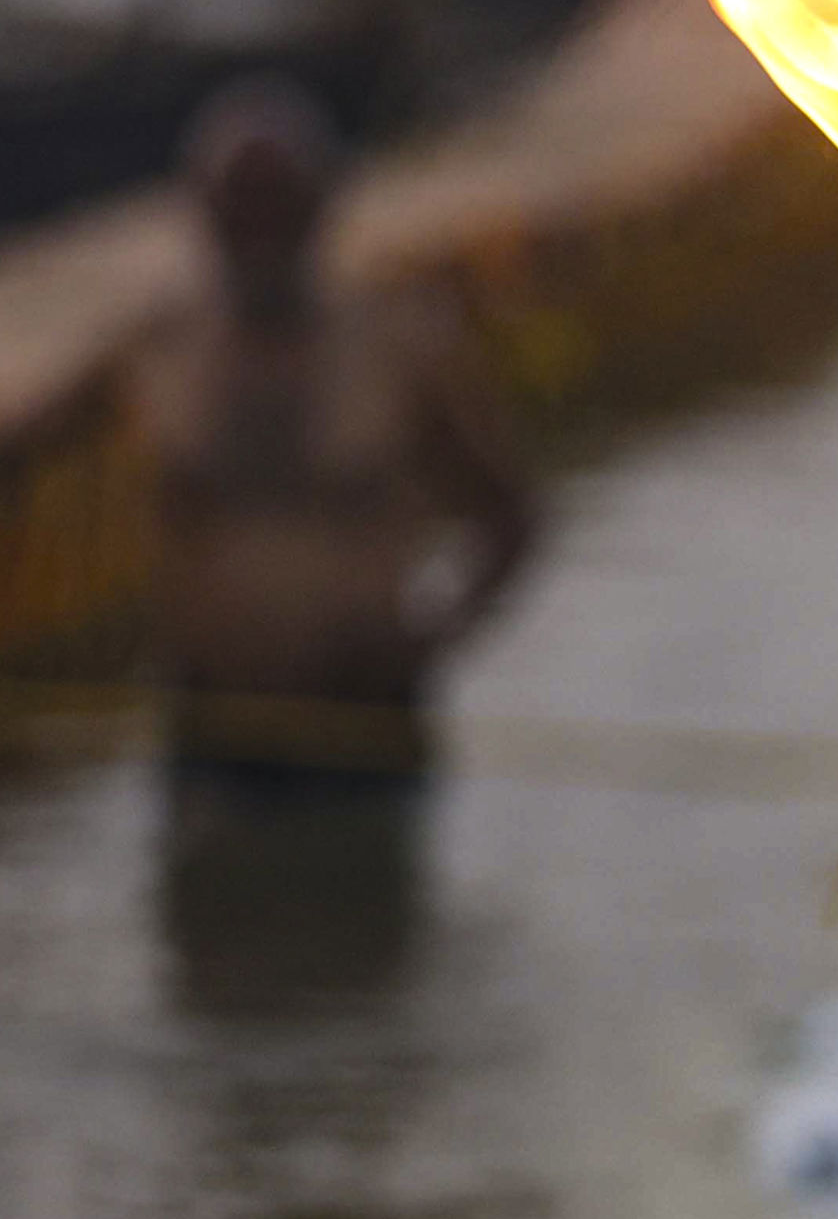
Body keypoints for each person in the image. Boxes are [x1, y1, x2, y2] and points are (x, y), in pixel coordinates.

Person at [124, 83, 539, 995]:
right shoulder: (162, 346)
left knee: (366, 968)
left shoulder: (400, 343)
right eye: (238, 212)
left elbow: (508, 518)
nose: (258, 235)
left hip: (361, 721)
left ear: (321, 210)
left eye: (279, 209)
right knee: (207, 975)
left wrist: (432, 637)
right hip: (213, 725)